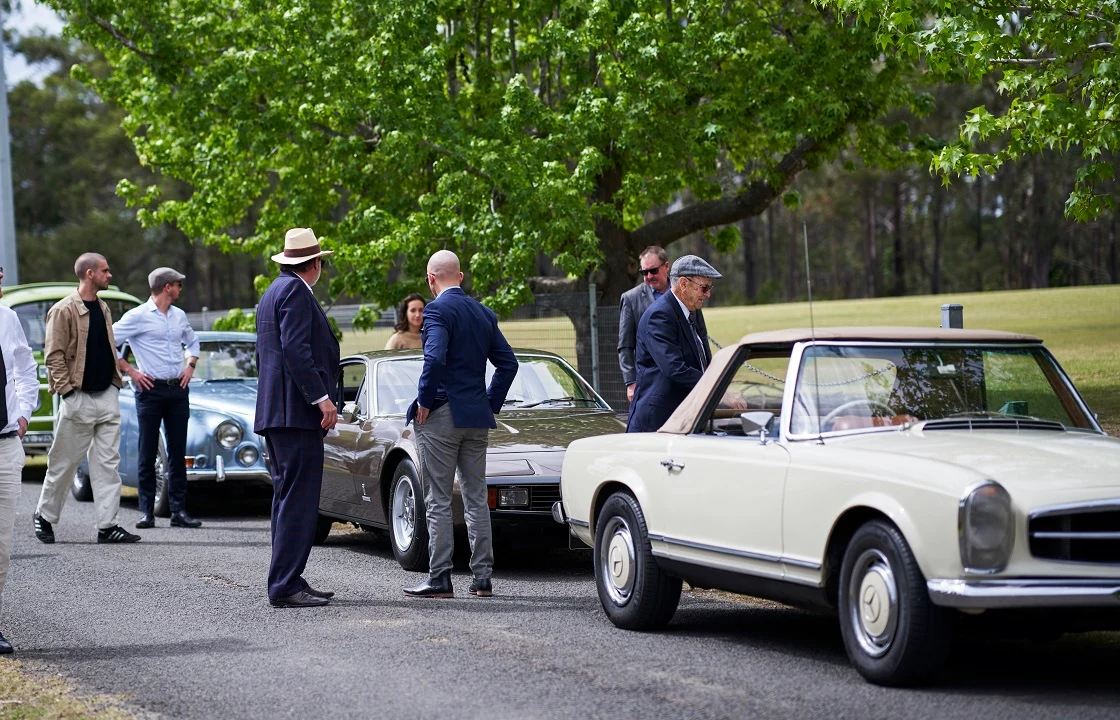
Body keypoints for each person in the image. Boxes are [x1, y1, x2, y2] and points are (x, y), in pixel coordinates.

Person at [403, 250, 518, 599]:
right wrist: (489, 403)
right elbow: (508, 364)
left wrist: (425, 401)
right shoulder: (484, 313)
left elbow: (435, 358)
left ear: (430, 279)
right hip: (476, 416)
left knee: (438, 498)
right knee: (476, 497)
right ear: (461, 276)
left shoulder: (436, 310)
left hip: (441, 414)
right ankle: (482, 578)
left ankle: (440, 577)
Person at [255, 228, 340, 609]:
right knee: (298, 501)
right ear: (315, 263)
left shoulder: (274, 291)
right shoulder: (294, 292)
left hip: (280, 412)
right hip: (296, 413)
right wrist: (322, 399)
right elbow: (296, 351)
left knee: (287, 498)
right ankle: (285, 584)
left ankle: (288, 576)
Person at [33, 254, 140, 544]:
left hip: (106, 395)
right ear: (90, 273)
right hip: (78, 397)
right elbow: (53, 356)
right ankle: (44, 516)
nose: (110, 275)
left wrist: (114, 385)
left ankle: (108, 526)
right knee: (64, 463)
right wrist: (67, 392)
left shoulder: (103, 307)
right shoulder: (63, 310)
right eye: (105, 270)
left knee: (108, 465)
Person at [113, 267, 203, 529]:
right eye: (178, 284)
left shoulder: (179, 316)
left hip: (177, 390)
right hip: (149, 391)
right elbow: (108, 340)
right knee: (148, 449)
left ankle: (178, 511)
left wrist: (190, 366)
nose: (180, 289)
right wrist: (131, 371)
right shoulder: (137, 316)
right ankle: (146, 512)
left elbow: (193, 343)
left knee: (177, 450)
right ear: (167, 287)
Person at [627, 255, 743, 433]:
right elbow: (675, 368)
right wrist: (717, 391)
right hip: (657, 423)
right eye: (704, 288)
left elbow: (701, 361)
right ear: (683, 284)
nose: (708, 294)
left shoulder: (691, 312)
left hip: (683, 418)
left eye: (709, 288)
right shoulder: (660, 315)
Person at [0, 266, 39, 654]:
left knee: (1, 545)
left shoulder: (7, 318)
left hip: (5, 443)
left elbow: (26, 368)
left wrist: (25, 411)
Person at [618, 246, 708, 405]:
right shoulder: (631, 299)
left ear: (666, 266)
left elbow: (701, 336)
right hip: (656, 384)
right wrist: (630, 382)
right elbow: (625, 345)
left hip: (688, 380)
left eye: (653, 271)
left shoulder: (688, 294)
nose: (648, 276)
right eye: (644, 272)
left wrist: (708, 374)